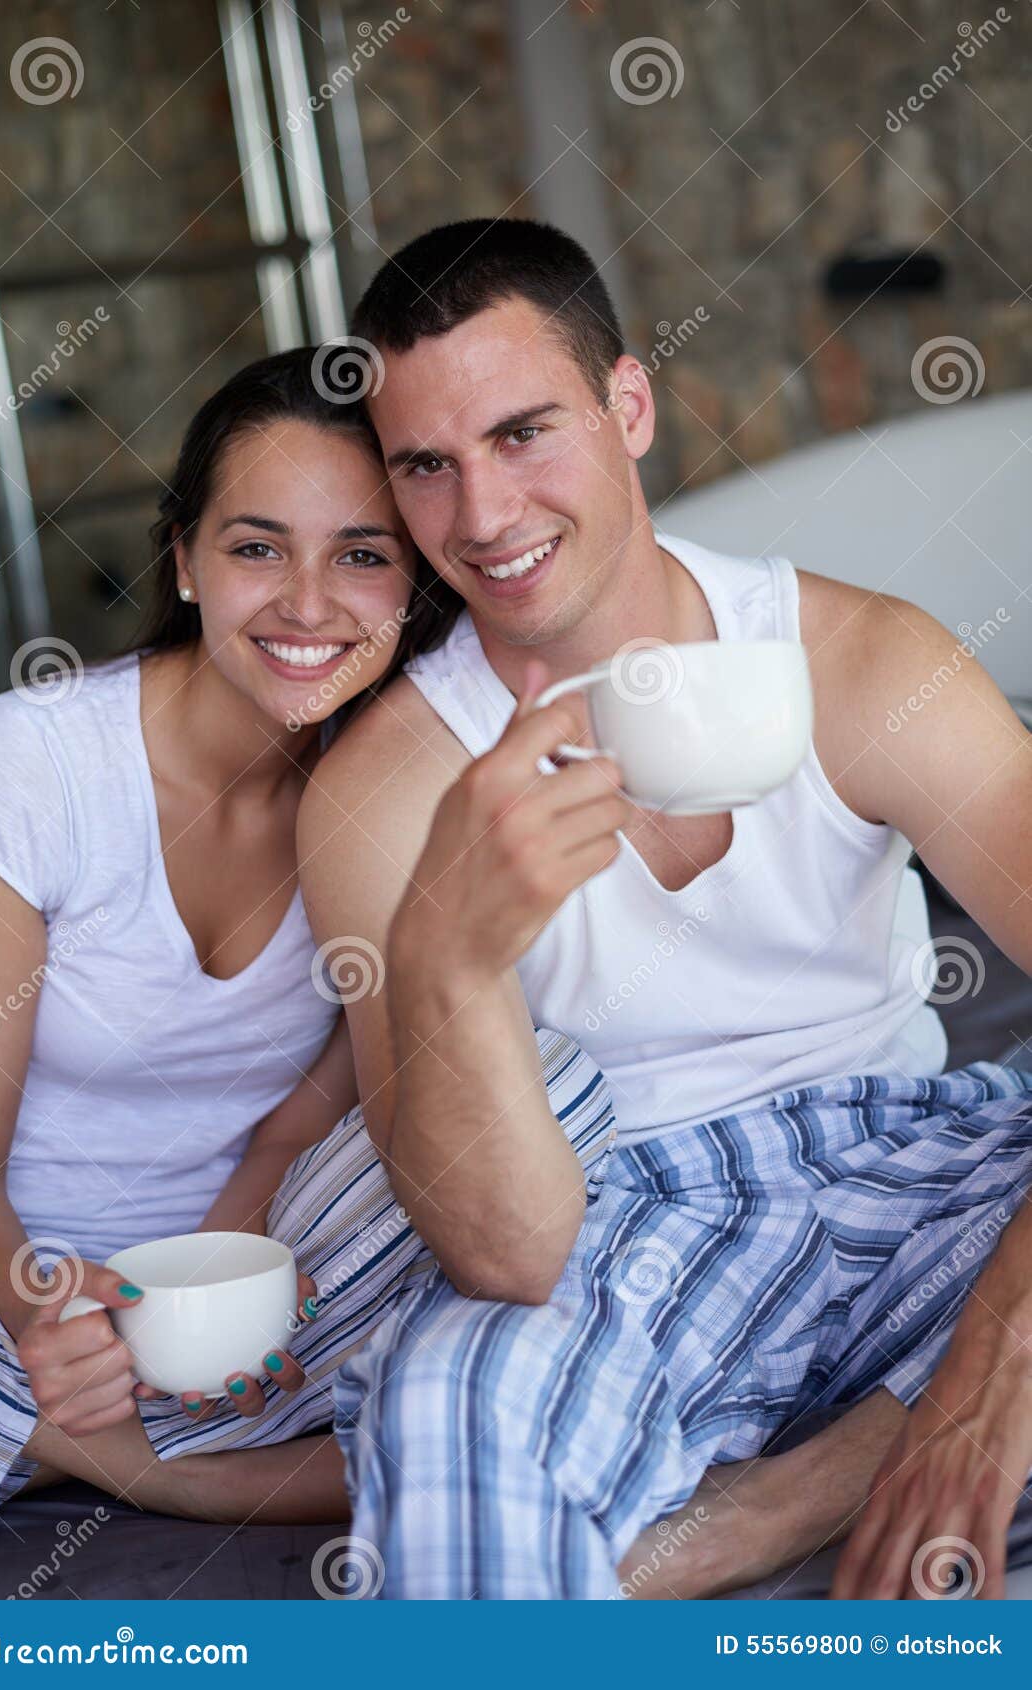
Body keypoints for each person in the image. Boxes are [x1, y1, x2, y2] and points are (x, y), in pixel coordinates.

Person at [296, 217, 1032, 1600]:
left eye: (525, 434)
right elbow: (502, 1247)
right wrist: (447, 956)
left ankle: (793, 1495)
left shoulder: (866, 661)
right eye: (428, 468)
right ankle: (853, 1469)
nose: (486, 516)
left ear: (628, 406)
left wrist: (994, 1372)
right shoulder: (383, 787)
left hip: (923, 1163)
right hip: (622, 1223)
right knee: (448, 1402)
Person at [0, 348, 468, 1526]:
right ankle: (132, 1455)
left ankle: (87, 1436)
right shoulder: (36, 759)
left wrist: (211, 1299)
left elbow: (309, 1122)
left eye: (362, 554)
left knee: (547, 1100)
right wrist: (47, 1304)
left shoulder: (405, 787)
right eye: (256, 547)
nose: (307, 602)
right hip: (1, 1276)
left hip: (253, 1260)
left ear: (415, 584)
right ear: (184, 558)